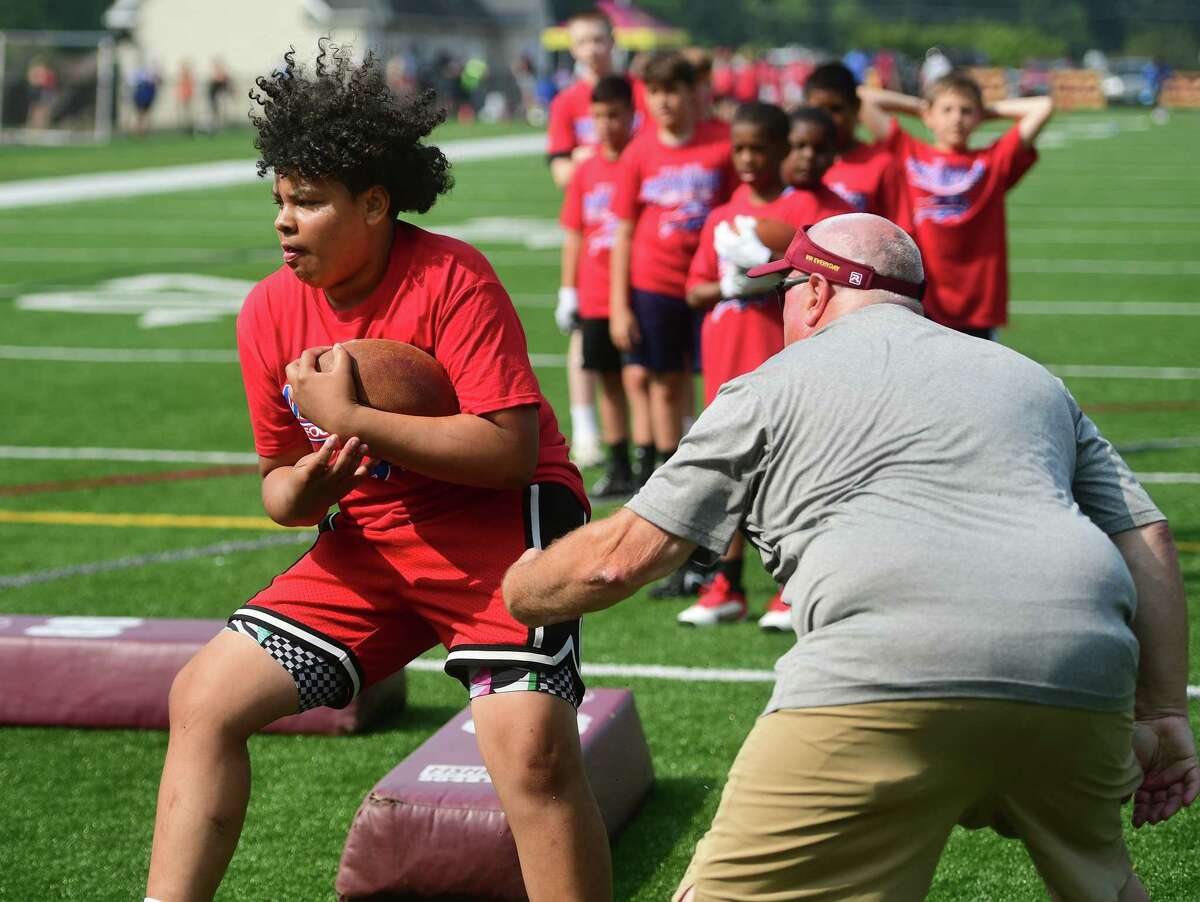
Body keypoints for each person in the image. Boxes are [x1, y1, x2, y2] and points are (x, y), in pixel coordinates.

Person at [503, 212, 1198, 901]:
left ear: (813, 292)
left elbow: (620, 559)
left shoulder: (768, 386)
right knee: (1107, 887)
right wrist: (1164, 711)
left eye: (783, 291)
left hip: (880, 675)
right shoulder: (1031, 378)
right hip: (1080, 672)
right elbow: (1146, 537)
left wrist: (520, 587)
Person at [144, 43, 611, 902]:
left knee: (532, 756)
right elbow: (279, 488)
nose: (285, 221)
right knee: (203, 699)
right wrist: (314, 484)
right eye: (280, 200)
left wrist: (358, 420)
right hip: (370, 538)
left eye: (310, 203)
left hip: (499, 533)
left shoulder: (452, 275)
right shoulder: (267, 310)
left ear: (375, 203)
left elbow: (508, 451)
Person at [680, 103, 850, 626]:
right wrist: (729, 285)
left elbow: (830, 275)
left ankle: (792, 588)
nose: (749, 158)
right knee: (730, 474)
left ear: (783, 150)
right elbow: (693, 289)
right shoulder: (721, 212)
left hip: (780, 357)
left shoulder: (806, 207)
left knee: (787, 474)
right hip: (725, 355)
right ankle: (726, 586)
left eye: (761, 148)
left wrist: (776, 268)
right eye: (741, 148)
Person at [609, 51, 735, 487]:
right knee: (663, 381)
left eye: (672, 91)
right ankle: (668, 472)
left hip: (712, 284)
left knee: (718, 382)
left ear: (692, 93)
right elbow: (621, 232)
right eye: (655, 92)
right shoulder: (638, 152)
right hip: (653, 285)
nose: (663, 101)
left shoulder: (722, 142)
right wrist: (619, 306)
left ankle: (717, 466)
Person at [858, 70, 1054, 338]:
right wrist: (925, 108)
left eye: (966, 111)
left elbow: (1043, 107)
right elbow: (864, 98)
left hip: (977, 301)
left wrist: (983, 111)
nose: (957, 119)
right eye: (947, 110)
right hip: (922, 295)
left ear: (978, 116)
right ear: (928, 115)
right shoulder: (908, 151)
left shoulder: (992, 161)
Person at [547, 9, 646, 470]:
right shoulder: (567, 101)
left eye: (599, 40)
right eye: (583, 41)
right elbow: (560, 168)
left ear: (612, 41)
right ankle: (586, 429)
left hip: (638, 227)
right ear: (573, 48)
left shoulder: (639, 92)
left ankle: (658, 434)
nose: (593, 49)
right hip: (594, 224)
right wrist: (592, 164)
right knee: (587, 335)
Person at [559, 75, 639, 500]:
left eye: (615, 115)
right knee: (607, 378)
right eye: (598, 117)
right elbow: (574, 232)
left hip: (636, 287)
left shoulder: (643, 159)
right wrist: (567, 290)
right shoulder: (586, 168)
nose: (606, 125)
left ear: (631, 114)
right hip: (594, 291)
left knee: (644, 377)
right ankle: (619, 462)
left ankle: (652, 461)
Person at [803, 61, 905, 225]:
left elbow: (899, 232)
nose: (828, 118)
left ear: (856, 107)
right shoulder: (795, 163)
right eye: (819, 110)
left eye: (836, 109)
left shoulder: (882, 164)